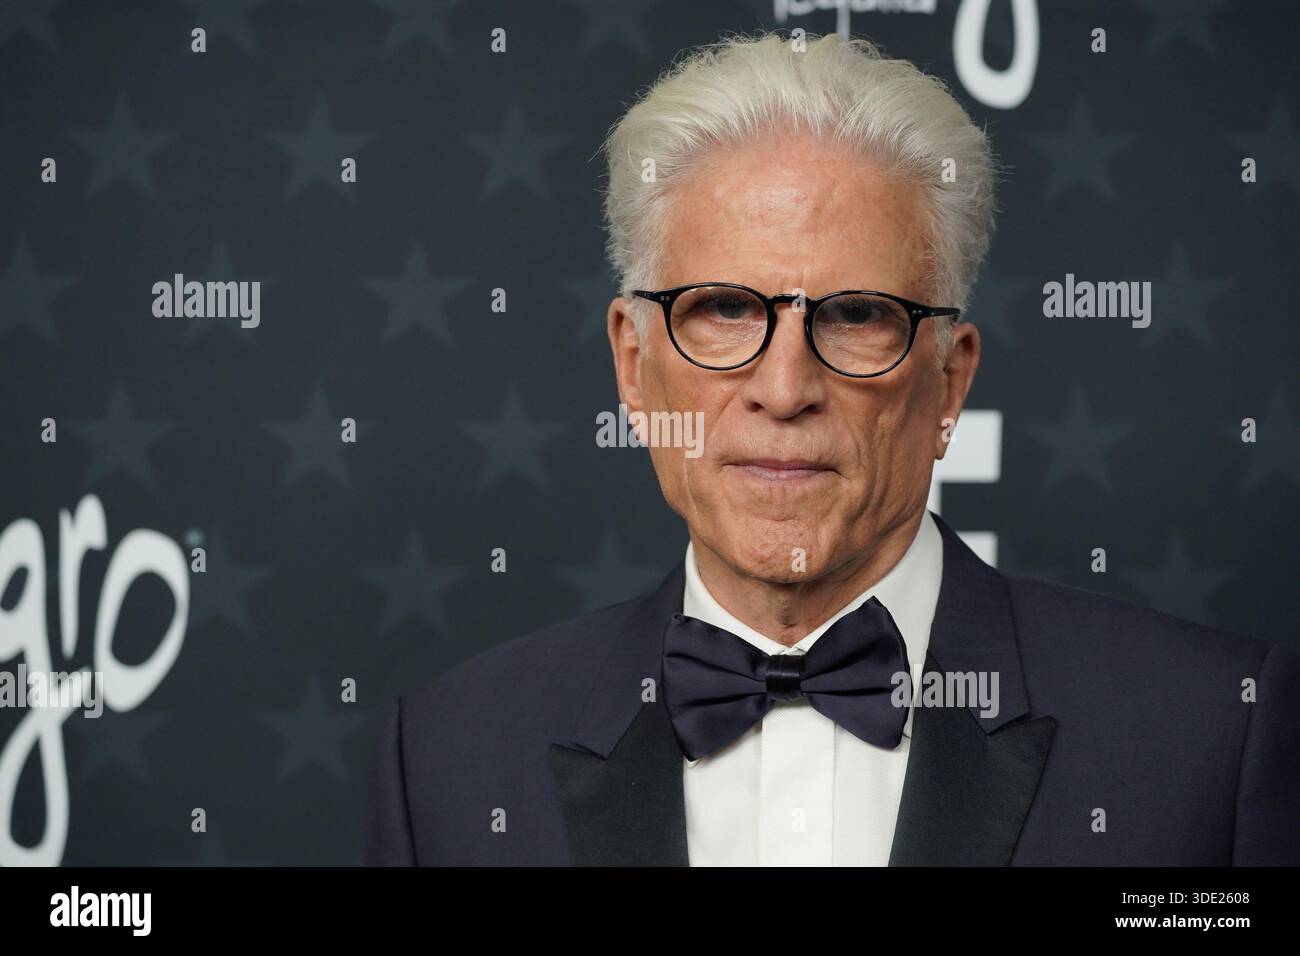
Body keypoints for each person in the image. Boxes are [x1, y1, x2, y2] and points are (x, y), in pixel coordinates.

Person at [364, 31, 1300, 866]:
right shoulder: (449, 758)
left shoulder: (1212, 737)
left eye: (858, 316)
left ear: (952, 379)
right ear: (632, 365)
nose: (784, 389)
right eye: (724, 311)